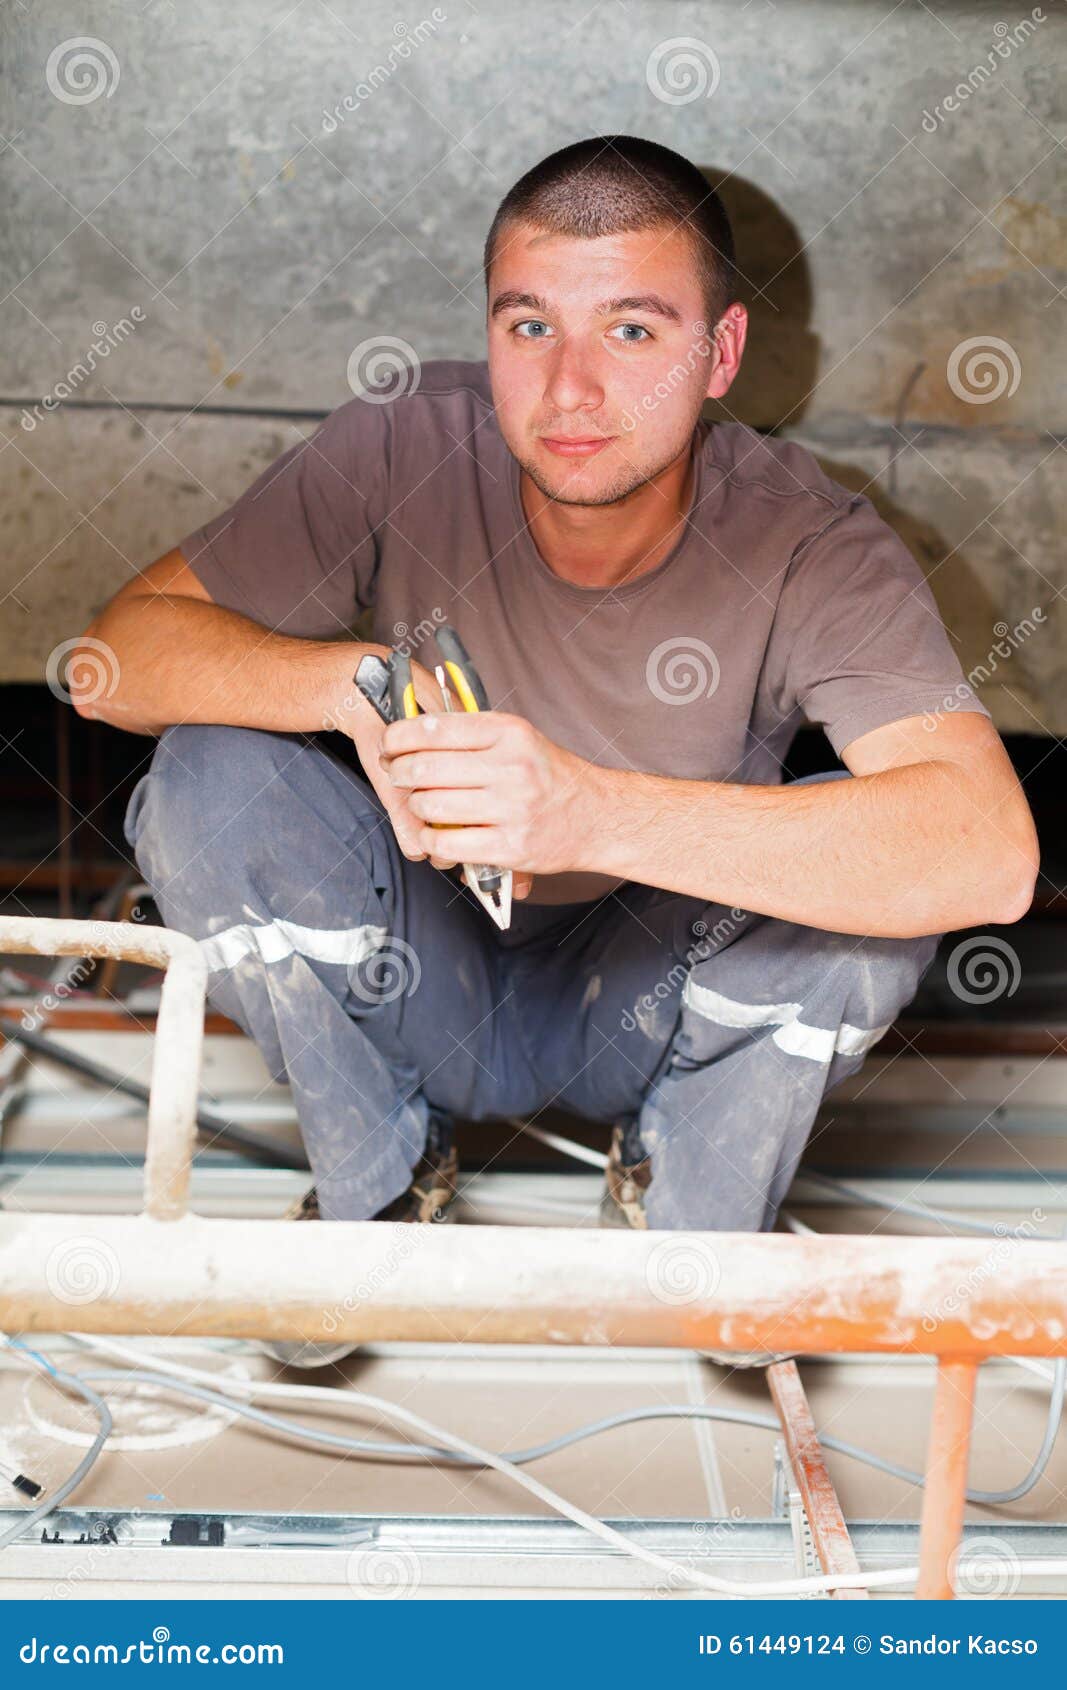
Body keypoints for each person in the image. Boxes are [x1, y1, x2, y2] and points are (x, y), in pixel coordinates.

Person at [73, 136, 1037, 1364]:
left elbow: (985, 852)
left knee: (876, 868)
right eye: (529, 328)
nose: (570, 390)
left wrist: (589, 813)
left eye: (632, 332)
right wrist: (350, 685)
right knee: (208, 773)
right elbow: (112, 661)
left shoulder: (807, 537)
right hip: (425, 968)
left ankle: (690, 1208)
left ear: (718, 354)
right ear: (487, 336)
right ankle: (379, 1182)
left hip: (643, 990)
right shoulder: (403, 443)